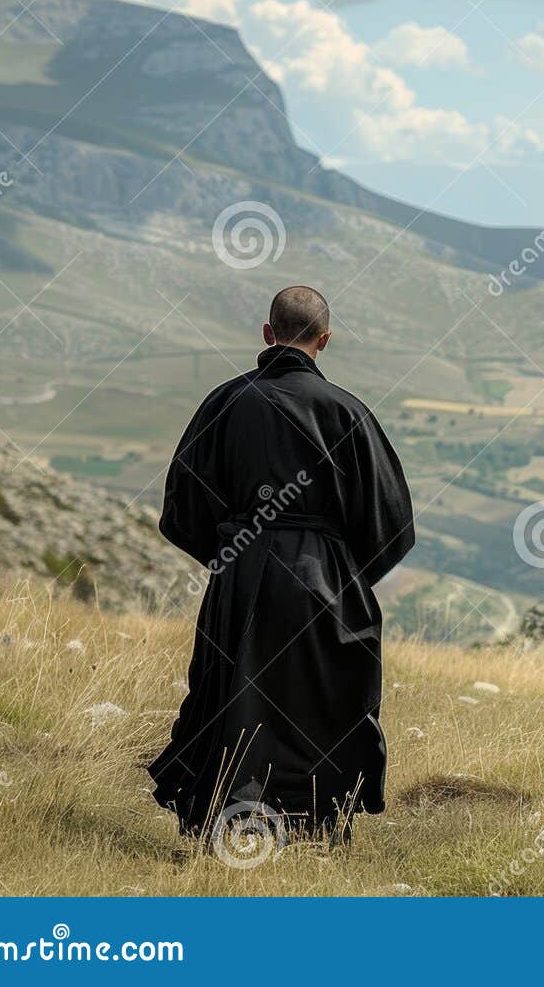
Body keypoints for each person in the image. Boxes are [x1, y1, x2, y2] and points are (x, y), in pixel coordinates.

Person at [148, 285, 414, 844]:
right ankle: (315, 825)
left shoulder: (223, 403)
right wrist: (343, 570)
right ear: (325, 340)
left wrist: (231, 555)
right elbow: (393, 522)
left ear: (268, 334)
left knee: (231, 697)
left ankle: (225, 822)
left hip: (240, 575)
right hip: (325, 584)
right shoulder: (347, 411)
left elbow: (181, 509)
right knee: (323, 701)